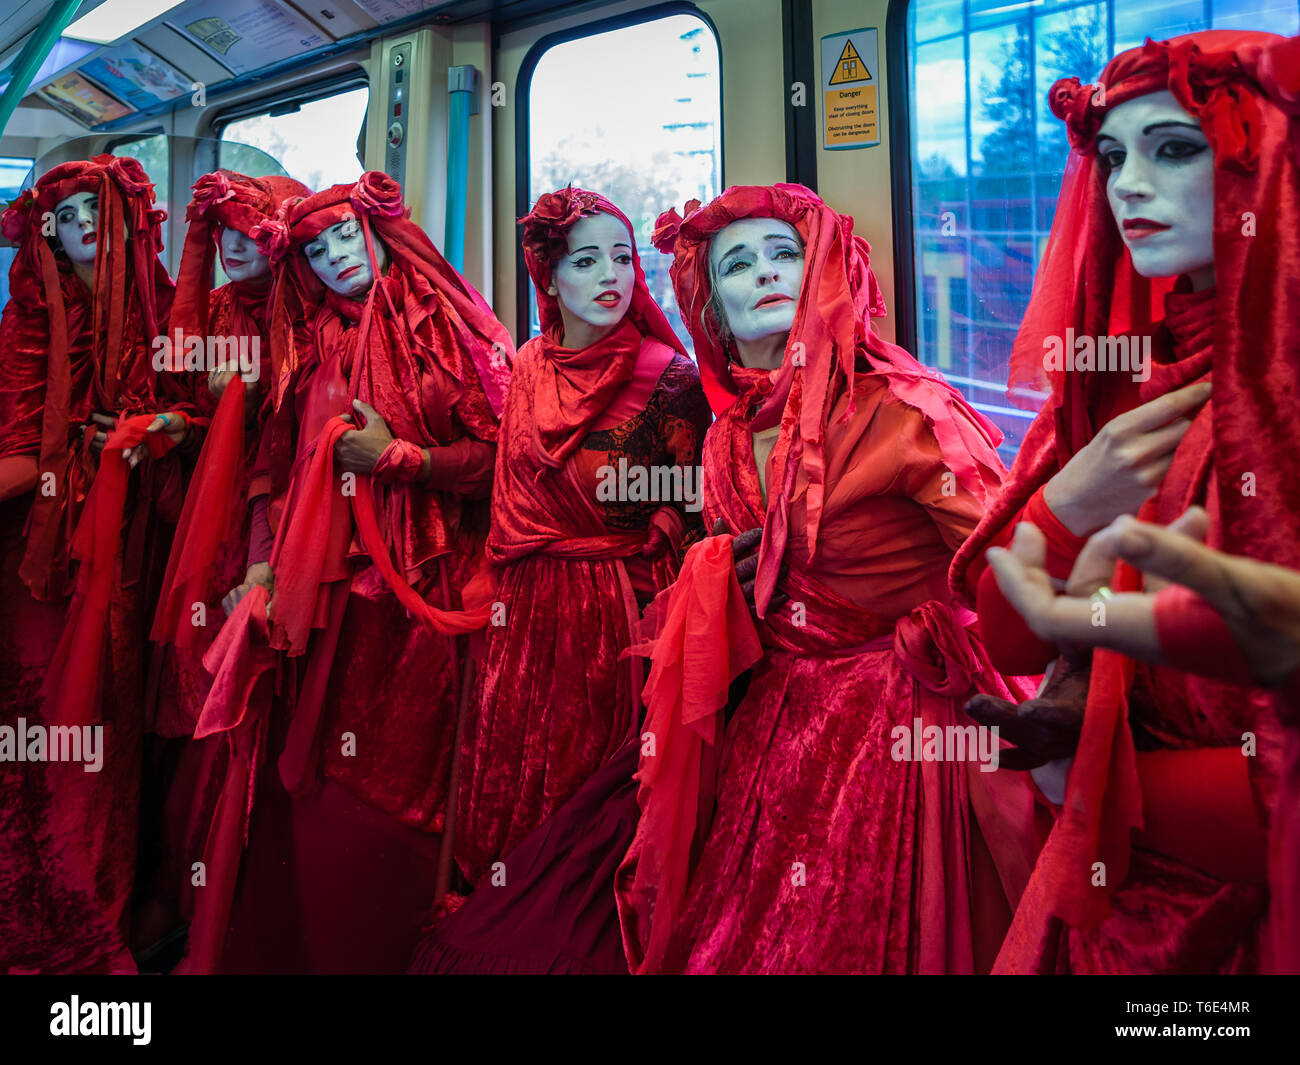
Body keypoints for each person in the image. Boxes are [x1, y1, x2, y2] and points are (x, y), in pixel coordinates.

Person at [616, 183, 1038, 974]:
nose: (768, 274)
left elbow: (1008, 569)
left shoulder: (900, 409)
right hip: (775, 720)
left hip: (899, 720)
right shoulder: (725, 439)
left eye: (787, 255)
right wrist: (719, 585)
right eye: (738, 265)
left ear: (823, 276)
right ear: (711, 311)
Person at [948, 30, 1297, 974]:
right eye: (1111, 157)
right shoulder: (1122, 383)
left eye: (1174, 148)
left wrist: (1101, 779)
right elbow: (1008, 637)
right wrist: (1067, 501)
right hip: (1122, 907)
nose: (1127, 186)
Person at [178, 171, 513, 974]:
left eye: (344, 237)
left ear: (377, 233)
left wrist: (407, 459)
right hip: (330, 601)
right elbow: (272, 465)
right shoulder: (311, 340)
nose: (334, 257)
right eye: (315, 247)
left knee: (410, 791)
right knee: (321, 784)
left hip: (429, 593)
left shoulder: (446, 324)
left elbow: (504, 459)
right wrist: (260, 565)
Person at [452, 186, 711, 888]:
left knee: (601, 809)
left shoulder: (675, 381)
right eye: (586, 260)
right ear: (550, 279)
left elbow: (697, 516)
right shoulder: (528, 366)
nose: (611, 277)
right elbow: (510, 497)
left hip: (625, 620)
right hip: (527, 613)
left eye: (623, 259)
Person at [0, 154, 186, 973]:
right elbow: (16, 440)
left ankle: (104, 881)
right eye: (63, 211)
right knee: (47, 719)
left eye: (94, 208)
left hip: (138, 547)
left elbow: (209, 418)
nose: (78, 224)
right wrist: (74, 457)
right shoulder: (29, 323)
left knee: (112, 720)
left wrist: (162, 431)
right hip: (40, 552)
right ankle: (55, 887)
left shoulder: (175, 307)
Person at [137, 170, 311, 957]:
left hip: (268, 530)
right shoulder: (208, 314)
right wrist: (186, 422)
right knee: (187, 691)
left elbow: (292, 447)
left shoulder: (299, 321)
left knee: (237, 702)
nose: (236, 250)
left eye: (251, 234)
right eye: (223, 237)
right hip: (206, 530)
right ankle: (178, 884)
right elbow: (199, 411)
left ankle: (221, 896)